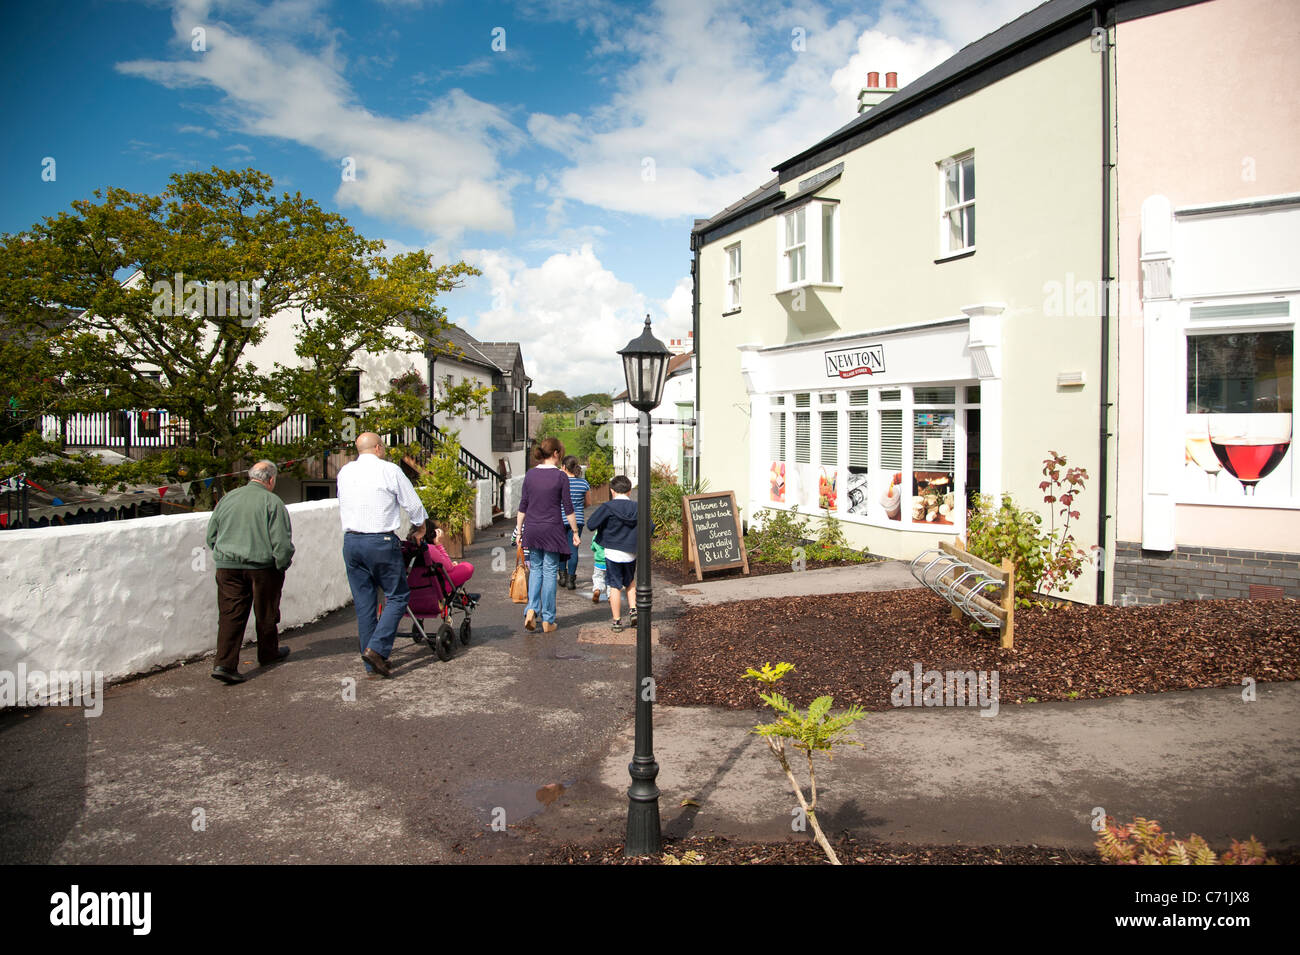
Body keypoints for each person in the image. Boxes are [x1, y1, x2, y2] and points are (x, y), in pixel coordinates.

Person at [336, 432, 427, 678]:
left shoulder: (344, 472)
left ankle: (371, 666)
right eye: (383, 446)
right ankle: (377, 650)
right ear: (377, 448)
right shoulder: (390, 470)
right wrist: (420, 527)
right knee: (397, 596)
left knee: (365, 604)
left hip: (352, 542)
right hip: (381, 541)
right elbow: (413, 504)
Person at [205, 460, 295, 684]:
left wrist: (225, 553)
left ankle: (224, 664)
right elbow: (282, 543)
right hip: (262, 567)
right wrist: (281, 564)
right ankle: (267, 653)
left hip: (228, 566)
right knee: (266, 612)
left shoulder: (228, 498)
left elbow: (211, 535)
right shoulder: (272, 501)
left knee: (230, 614)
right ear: (271, 479)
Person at [516, 437, 579, 632]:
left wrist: (519, 530)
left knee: (535, 569)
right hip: (552, 529)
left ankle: (531, 610)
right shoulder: (561, 477)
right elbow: (568, 508)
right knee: (550, 571)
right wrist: (575, 531)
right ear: (556, 454)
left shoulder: (530, 475)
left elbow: (523, 505)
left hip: (532, 529)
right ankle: (548, 619)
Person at [585, 474, 652, 632]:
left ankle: (616, 621)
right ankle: (633, 610)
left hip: (612, 552)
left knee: (614, 585)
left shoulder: (607, 507)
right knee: (630, 582)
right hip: (630, 552)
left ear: (612, 491)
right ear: (629, 491)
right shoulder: (637, 507)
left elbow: (591, 524)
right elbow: (650, 526)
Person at [560, 456, 590, 591]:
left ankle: (562, 576)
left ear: (564, 467)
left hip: (560, 519)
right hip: (577, 520)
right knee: (573, 550)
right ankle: (571, 580)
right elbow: (588, 503)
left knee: (560, 548)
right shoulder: (583, 483)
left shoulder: (559, 483)